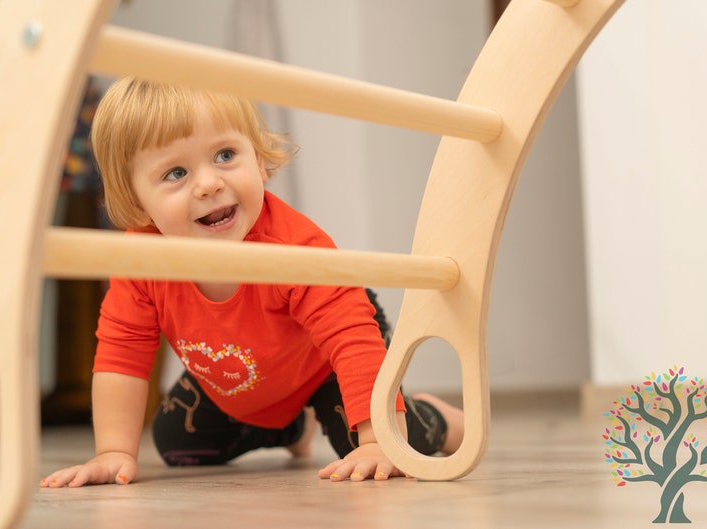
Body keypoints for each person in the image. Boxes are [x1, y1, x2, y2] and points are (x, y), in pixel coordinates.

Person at [40, 77, 463, 488]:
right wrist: (113, 451)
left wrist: (380, 443)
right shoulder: (142, 260)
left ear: (258, 159)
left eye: (225, 155)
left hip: (327, 360)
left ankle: (435, 418)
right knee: (177, 441)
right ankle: (290, 428)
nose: (209, 183)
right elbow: (121, 351)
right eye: (175, 173)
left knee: (363, 446)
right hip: (242, 379)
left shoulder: (296, 249)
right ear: (137, 202)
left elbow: (352, 340)